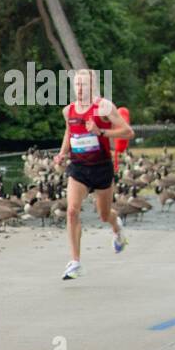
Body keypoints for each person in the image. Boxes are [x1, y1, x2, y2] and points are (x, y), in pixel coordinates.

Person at [54, 69, 134, 280]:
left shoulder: (104, 108)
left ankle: (117, 229)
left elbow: (127, 132)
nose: (80, 89)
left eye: (84, 85)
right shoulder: (68, 110)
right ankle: (75, 262)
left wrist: (101, 133)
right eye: (77, 85)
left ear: (93, 87)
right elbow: (69, 132)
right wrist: (62, 153)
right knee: (72, 211)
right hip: (78, 168)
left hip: (101, 167)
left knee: (104, 214)